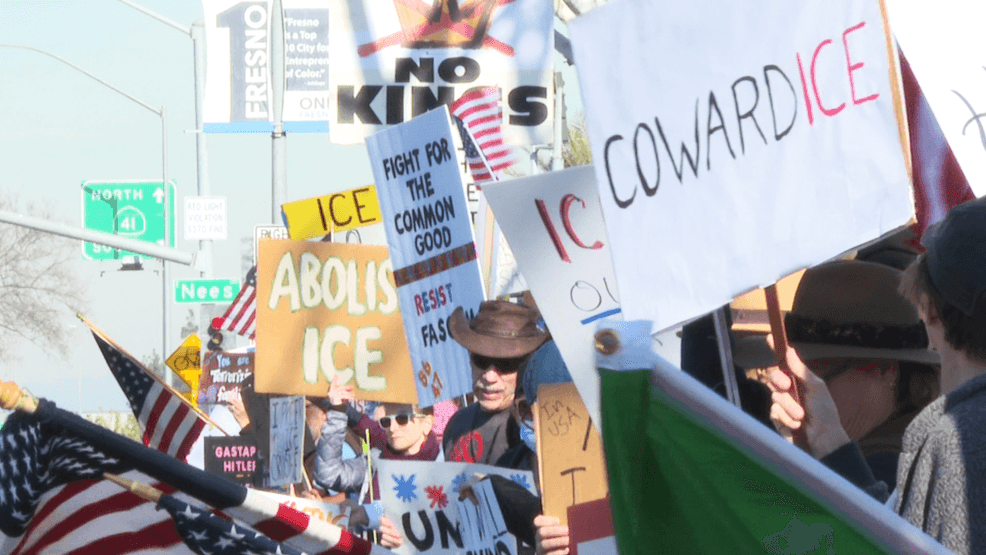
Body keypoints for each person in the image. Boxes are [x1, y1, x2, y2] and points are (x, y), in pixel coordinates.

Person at [770, 200, 986, 554]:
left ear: (929, 309)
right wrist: (829, 441)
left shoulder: (953, 442)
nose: (799, 392)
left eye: (818, 378)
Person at [736, 259, 940, 485]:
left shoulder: (906, 469)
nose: (797, 396)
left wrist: (829, 448)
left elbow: (863, 504)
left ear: (884, 370)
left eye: (814, 383)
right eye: (792, 380)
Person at [446, 300, 550, 552]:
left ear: (528, 363)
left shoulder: (540, 425)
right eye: (481, 360)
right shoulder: (455, 425)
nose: (490, 376)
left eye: (506, 365)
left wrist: (494, 490)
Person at [312, 377, 441, 549]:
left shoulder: (444, 461)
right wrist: (337, 411)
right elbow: (328, 475)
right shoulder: (376, 459)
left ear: (427, 424)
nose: (392, 428)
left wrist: (368, 513)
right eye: (387, 421)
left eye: (402, 419)